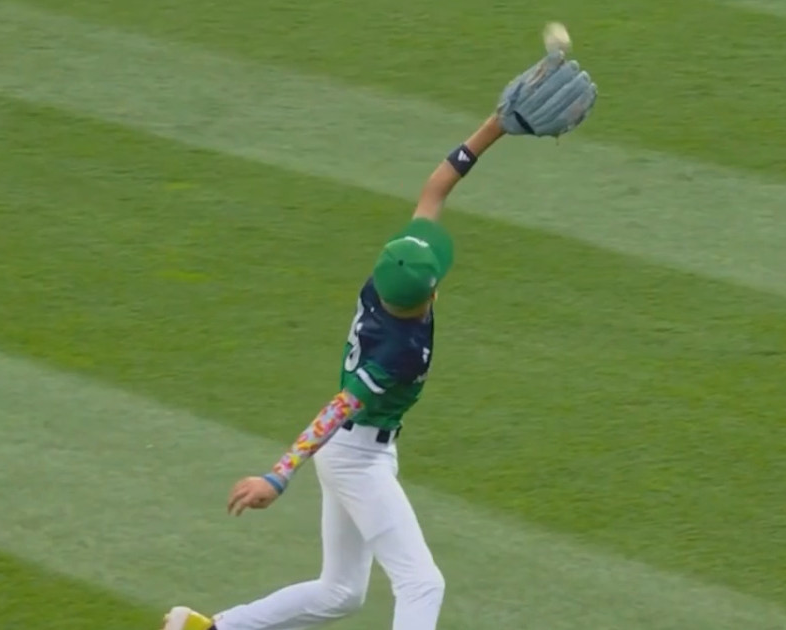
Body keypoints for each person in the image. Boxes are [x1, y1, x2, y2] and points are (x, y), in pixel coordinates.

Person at [162, 49, 596, 630]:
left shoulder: (387, 277)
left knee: (341, 592)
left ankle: (211, 628)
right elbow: (340, 406)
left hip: (362, 451)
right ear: (428, 291)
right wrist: (278, 474)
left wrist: (494, 127)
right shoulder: (401, 350)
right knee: (423, 583)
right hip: (354, 455)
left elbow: (436, 188)